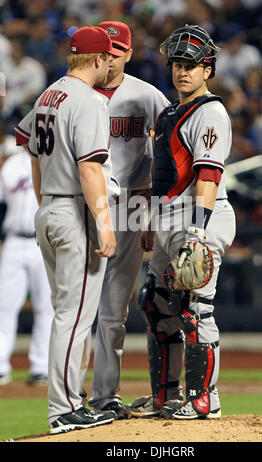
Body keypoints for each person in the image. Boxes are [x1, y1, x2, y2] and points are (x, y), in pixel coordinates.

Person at [124, 24, 236, 419]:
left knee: (194, 309)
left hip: (200, 216)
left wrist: (196, 232)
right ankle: (167, 396)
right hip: (170, 217)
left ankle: (206, 399)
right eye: (177, 63)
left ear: (208, 69)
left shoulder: (211, 111)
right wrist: (153, 223)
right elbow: (163, 177)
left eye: (192, 64)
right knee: (155, 304)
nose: (182, 71)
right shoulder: (172, 110)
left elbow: (207, 174)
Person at [20, 25, 120, 434]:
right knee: (73, 316)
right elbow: (90, 166)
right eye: (107, 57)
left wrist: (47, 200)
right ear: (97, 60)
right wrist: (104, 223)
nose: (110, 62)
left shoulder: (50, 93)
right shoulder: (89, 100)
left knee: (67, 313)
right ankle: (63, 410)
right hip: (73, 213)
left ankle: (70, 403)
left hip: (49, 211)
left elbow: (27, 144)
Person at [86, 20, 170, 418]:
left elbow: (168, 154)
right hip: (83, 205)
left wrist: (153, 214)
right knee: (77, 309)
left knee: (113, 312)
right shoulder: (74, 91)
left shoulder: (147, 95)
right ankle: (70, 399)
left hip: (132, 207)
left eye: (119, 51)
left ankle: (104, 396)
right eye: (107, 50)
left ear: (130, 53)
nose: (112, 57)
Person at [0, 148, 54, 387]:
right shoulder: (11, 164)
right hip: (12, 239)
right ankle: (0, 365)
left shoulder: (53, 160)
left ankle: (41, 366)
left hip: (42, 240)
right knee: (4, 305)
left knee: (46, 306)